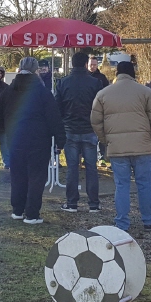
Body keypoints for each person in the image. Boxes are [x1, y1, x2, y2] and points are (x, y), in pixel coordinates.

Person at [91, 60, 151, 233]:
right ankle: (148, 220)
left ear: (116, 73)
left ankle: (122, 223)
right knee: (144, 184)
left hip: (117, 147)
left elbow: (95, 121)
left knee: (121, 185)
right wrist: (150, 139)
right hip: (142, 145)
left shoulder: (103, 94)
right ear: (133, 73)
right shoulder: (145, 92)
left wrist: (105, 139)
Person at [0, 56, 65, 224]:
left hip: (15, 140)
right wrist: (60, 139)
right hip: (38, 141)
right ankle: (32, 213)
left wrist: (6, 129)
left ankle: (17, 210)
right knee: (36, 177)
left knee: (17, 175)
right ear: (36, 70)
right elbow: (53, 117)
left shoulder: (8, 90)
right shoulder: (42, 92)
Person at [55, 51, 103, 213]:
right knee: (91, 168)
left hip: (70, 129)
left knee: (72, 168)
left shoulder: (62, 83)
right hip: (89, 129)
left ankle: (72, 202)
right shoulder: (95, 83)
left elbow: (58, 109)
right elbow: (99, 108)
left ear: (72, 64)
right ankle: (94, 203)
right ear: (85, 64)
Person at [88, 55, 111, 166]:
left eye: (94, 65)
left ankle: (101, 157)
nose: (92, 67)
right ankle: (86, 157)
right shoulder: (85, 77)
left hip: (100, 109)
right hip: (87, 109)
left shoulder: (102, 78)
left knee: (100, 133)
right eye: (91, 65)